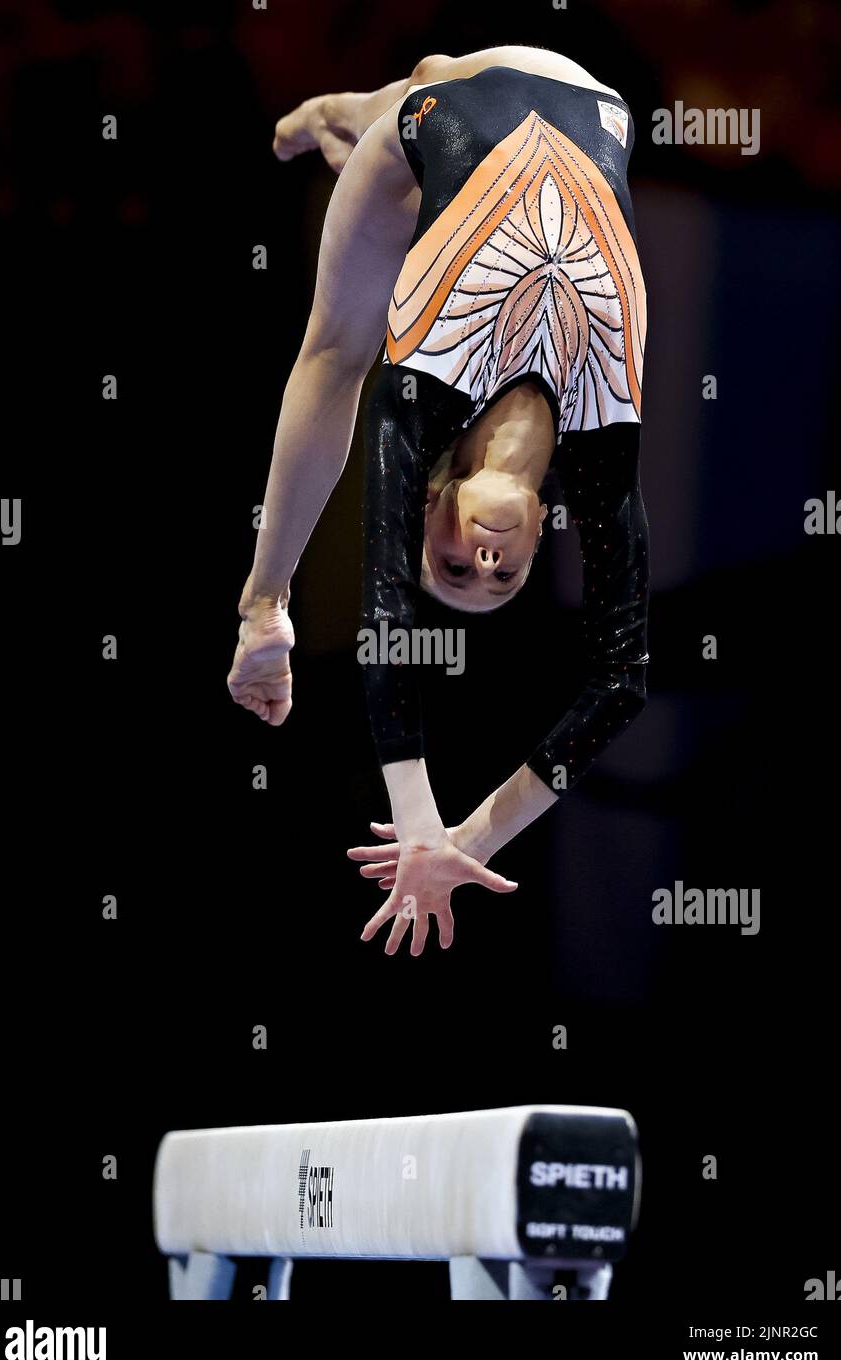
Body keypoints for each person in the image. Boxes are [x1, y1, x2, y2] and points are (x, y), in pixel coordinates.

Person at [227, 46, 649, 956]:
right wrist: (471, 838)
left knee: (335, 351)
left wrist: (273, 616)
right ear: (545, 528)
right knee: (436, 71)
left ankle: (256, 603)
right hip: (587, 95)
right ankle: (353, 107)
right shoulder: (603, 440)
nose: (485, 561)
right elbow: (622, 681)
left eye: (454, 565)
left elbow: (384, 622)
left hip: (425, 133)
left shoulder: (423, 394)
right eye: (501, 577)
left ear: (433, 503)